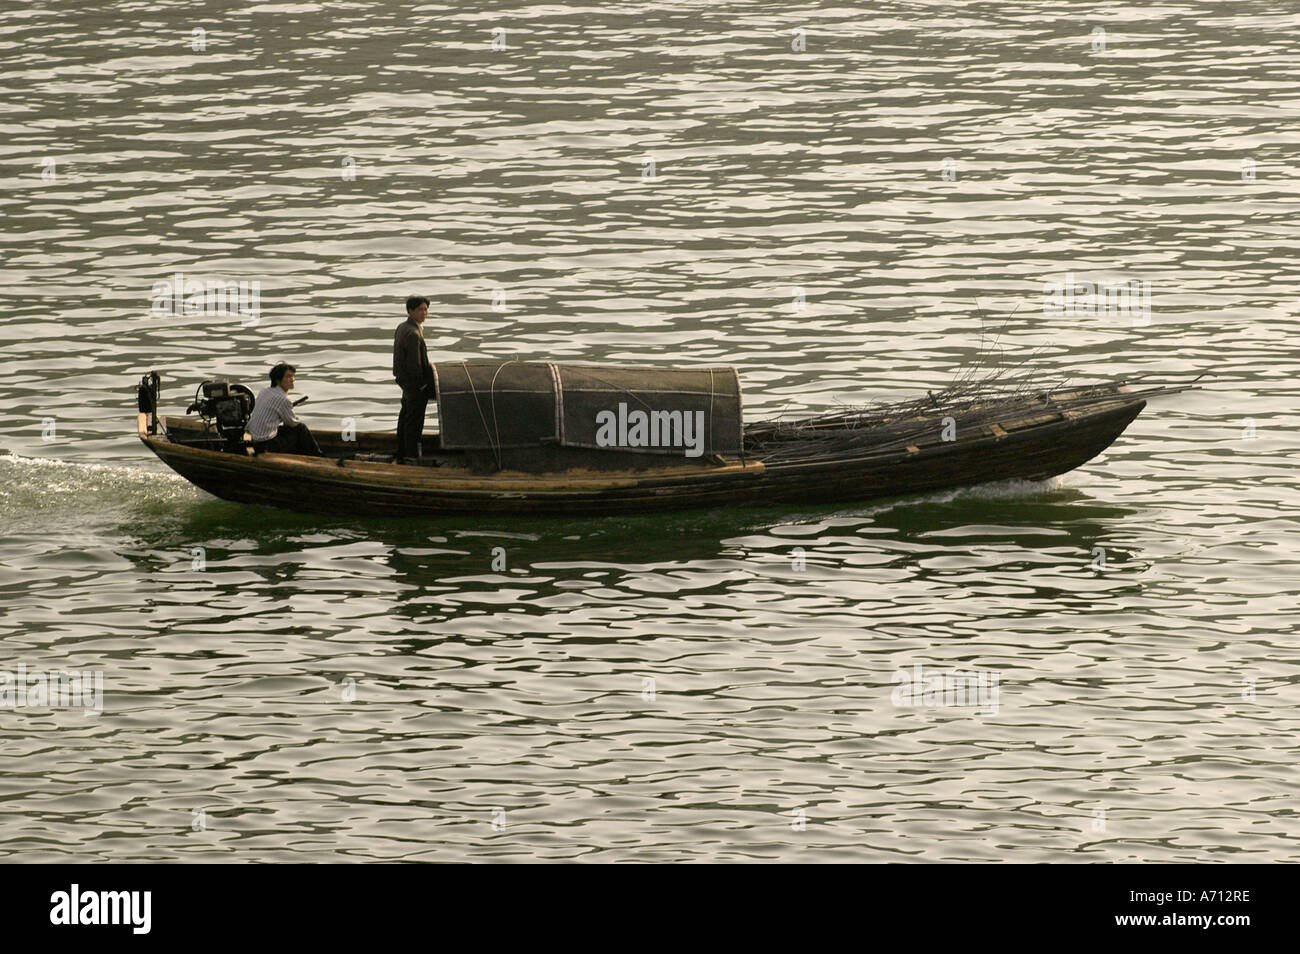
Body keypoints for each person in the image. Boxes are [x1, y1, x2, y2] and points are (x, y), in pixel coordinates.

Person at [393, 295, 436, 461]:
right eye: (420, 309)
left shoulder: (402, 327)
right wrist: (422, 386)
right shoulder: (413, 333)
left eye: (426, 309)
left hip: (405, 383)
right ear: (410, 311)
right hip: (414, 385)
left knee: (405, 417)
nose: (424, 313)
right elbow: (414, 365)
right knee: (414, 422)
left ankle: (402, 452)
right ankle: (410, 457)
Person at [247, 362, 323, 456]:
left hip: (255, 441)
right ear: (278, 380)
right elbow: (292, 423)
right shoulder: (283, 399)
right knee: (301, 428)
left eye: (292, 376)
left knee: (289, 430)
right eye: (288, 377)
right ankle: (318, 456)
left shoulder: (264, 391)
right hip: (267, 445)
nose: (292, 380)